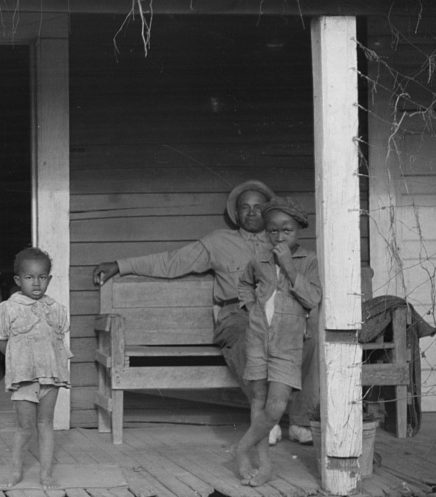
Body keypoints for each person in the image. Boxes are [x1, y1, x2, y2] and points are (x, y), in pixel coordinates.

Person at [91, 180, 316, 445]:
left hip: (282, 313)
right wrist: (121, 265)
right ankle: (267, 421)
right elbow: (172, 261)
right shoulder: (219, 241)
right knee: (248, 337)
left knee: (310, 340)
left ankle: (301, 422)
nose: (252, 212)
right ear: (236, 213)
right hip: (238, 314)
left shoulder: (283, 240)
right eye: (245, 207)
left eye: (258, 207)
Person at [232, 197, 321, 486]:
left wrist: (289, 268)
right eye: (273, 231)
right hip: (258, 338)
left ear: (299, 230)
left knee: (276, 405)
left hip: (288, 342)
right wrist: (250, 307)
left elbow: (313, 299)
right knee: (258, 399)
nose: (279, 237)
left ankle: (241, 448)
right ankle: (265, 465)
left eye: (287, 231)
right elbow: (245, 284)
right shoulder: (258, 260)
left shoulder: (308, 261)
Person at [0, 247, 72, 489]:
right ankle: (16, 472)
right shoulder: (8, 308)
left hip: (51, 377)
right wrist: (19, 359)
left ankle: (45, 474)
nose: (36, 283)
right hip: (25, 379)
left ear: (49, 279)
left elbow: (56, 341)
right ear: (18, 280)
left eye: (42, 277)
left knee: (46, 423)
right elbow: (0, 339)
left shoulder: (56, 309)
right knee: (25, 427)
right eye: (29, 277)